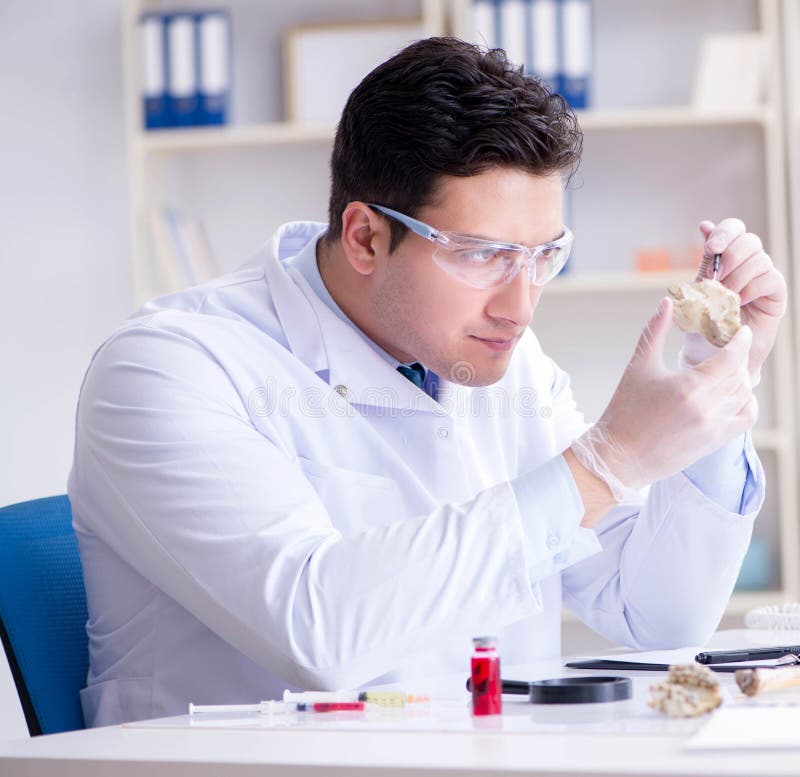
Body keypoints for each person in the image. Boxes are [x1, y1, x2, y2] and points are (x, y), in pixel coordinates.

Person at [68, 37, 784, 727]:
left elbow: (656, 613)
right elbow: (318, 629)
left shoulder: (500, 357)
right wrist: (606, 461)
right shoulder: (167, 368)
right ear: (365, 237)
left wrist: (714, 384)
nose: (522, 303)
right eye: (481, 255)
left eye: (543, 255)